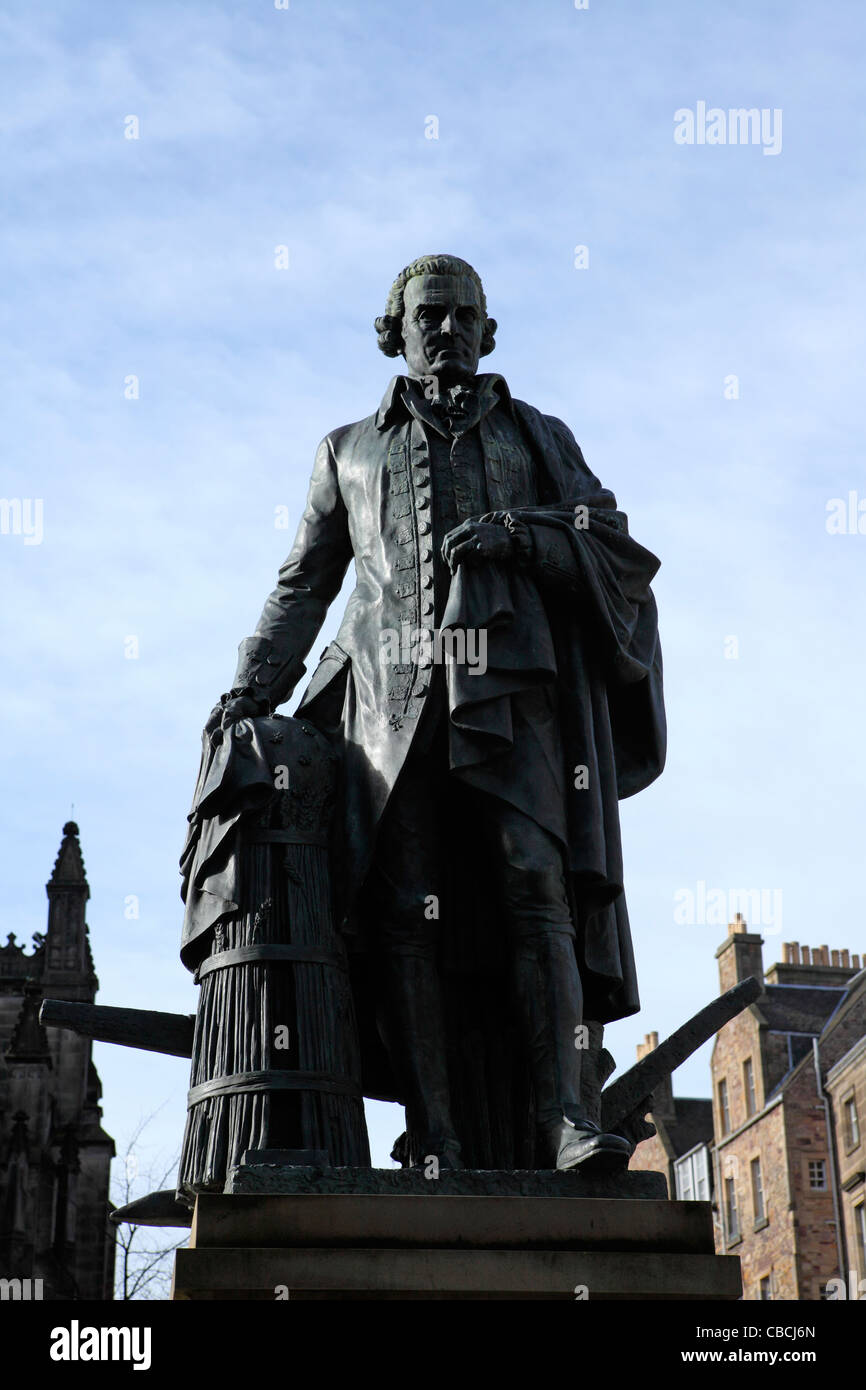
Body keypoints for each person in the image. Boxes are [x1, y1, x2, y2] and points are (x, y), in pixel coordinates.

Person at [206, 254, 666, 1171]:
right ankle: (436, 1136)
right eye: (430, 316)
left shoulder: (538, 437)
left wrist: (523, 537)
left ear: (488, 332)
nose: (447, 329)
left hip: (513, 698)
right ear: (397, 332)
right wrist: (249, 689)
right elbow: (305, 583)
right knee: (402, 915)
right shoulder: (347, 448)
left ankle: (565, 1121)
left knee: (537, 890)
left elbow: (607, 540)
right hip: (388, 705)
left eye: (464, 315)